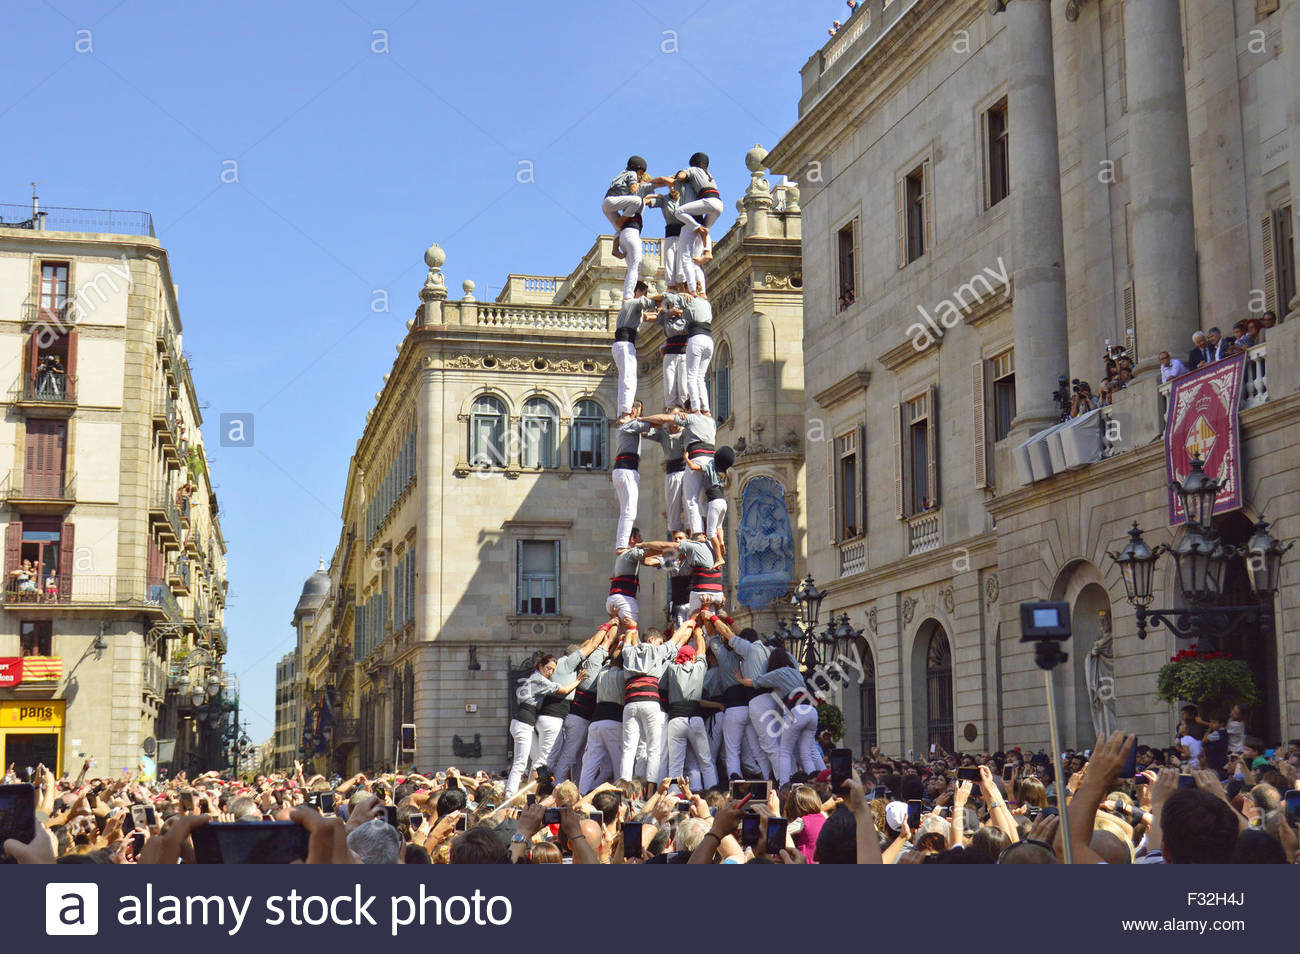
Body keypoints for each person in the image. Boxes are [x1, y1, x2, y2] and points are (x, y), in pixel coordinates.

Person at [534, 623, 616, 774]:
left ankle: (545, 786)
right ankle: (548, 787)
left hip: (558, 717)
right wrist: (612, 623)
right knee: (561, 757)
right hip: (563, 719)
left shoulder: (563, 668)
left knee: (568, 758)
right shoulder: (568, 664)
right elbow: (596, 644)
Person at [619, 619, 695, 782]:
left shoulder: (627, 652)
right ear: (652, 640)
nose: (661, 644)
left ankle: (624, 788)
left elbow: (628, 640)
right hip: (650, 701)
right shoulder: (657, 651)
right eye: (659, 642)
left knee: (629, 749)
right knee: (654, 749)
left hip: (630, 702)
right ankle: (651, 788)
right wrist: (687, 623)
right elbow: (675, 640)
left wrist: (632, 628)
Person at [734, 646, 823, 786]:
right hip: (811, 712)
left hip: (797, 712)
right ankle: (821, 782)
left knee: (784, 751)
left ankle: (784, 786)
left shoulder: (777, 673)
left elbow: (755, 682)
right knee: (808, 751)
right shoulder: (796, 672)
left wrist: (739, 679)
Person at [507, 654, 587, 796]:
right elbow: (563, 690)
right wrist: (578, 680)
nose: (550, 672)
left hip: (525, 723)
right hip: (523, 724)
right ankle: (513, 795)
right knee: (520, 763)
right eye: (548, 668)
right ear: (540, 666)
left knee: (539, 760)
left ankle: (543, 789)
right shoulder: (539, 680)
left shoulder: (535, 678)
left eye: (552, 670)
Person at [663, 626, 717, 790]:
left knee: (675, 765)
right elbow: (701, 650)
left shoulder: (672, 668)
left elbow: (673, 651)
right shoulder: (699, 667)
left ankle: (674, 799)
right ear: (692, 658)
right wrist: (699, 633)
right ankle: (712, 796)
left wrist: (681, 634)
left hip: (676, 720)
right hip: (695, 719)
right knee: (705, 761)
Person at [603, 156, 656, 301]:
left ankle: (632, 293)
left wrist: (615, 247)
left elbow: (618, 231)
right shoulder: (634, 190)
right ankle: (628, 297)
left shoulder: (627, 195)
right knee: (635, 265)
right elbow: (648, 189)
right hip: (632, 233)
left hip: (624, 235)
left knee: (632, 267)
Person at [673, 153, 724, 285]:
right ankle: (707, 252)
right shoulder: (710, 175)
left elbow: (681, 176)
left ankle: (697, 227)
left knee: (679, 211)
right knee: (706, 228)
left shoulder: (694, 169)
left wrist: (680, 173)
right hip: (719, 204)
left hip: (709, 201)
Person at [612, 285, 659, 417]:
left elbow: (648, 316)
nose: (644, 296)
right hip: (626, 344)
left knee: (624, 380)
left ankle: (622, 412)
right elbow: (652, 302)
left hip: (621, 345)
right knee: (629, 379)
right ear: (637, 292)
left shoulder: (630, 308)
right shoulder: (633, 302)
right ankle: (626, 412)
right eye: (644, 293)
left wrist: (663, 314)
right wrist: (671, 298)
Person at [684, 444, 734, 566]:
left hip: (714, 503)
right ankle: (721, 541)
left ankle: (719, 558)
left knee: (711, 533)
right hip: (723, 502)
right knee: (719, 526)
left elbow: (693, 467)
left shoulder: (710, 467)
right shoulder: (725, 473)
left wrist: (686, 458)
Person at [611, 405, 652, 552]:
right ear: (633, 410)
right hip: (627, 470)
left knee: (626, 511)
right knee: (629, 511)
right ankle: (622, 545)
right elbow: (654, 423)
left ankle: (622, 544)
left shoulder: (626, 425)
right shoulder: (630, 424)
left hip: (622, 469)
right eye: (640, 410)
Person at [680, 292, 715, 413]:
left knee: (691, 376)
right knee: (701, 377)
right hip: (709, 340)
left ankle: (695, 408)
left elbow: (684, 324)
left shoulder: (688, 301)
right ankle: (706, 409)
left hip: (696, 339)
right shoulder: (706, 303)